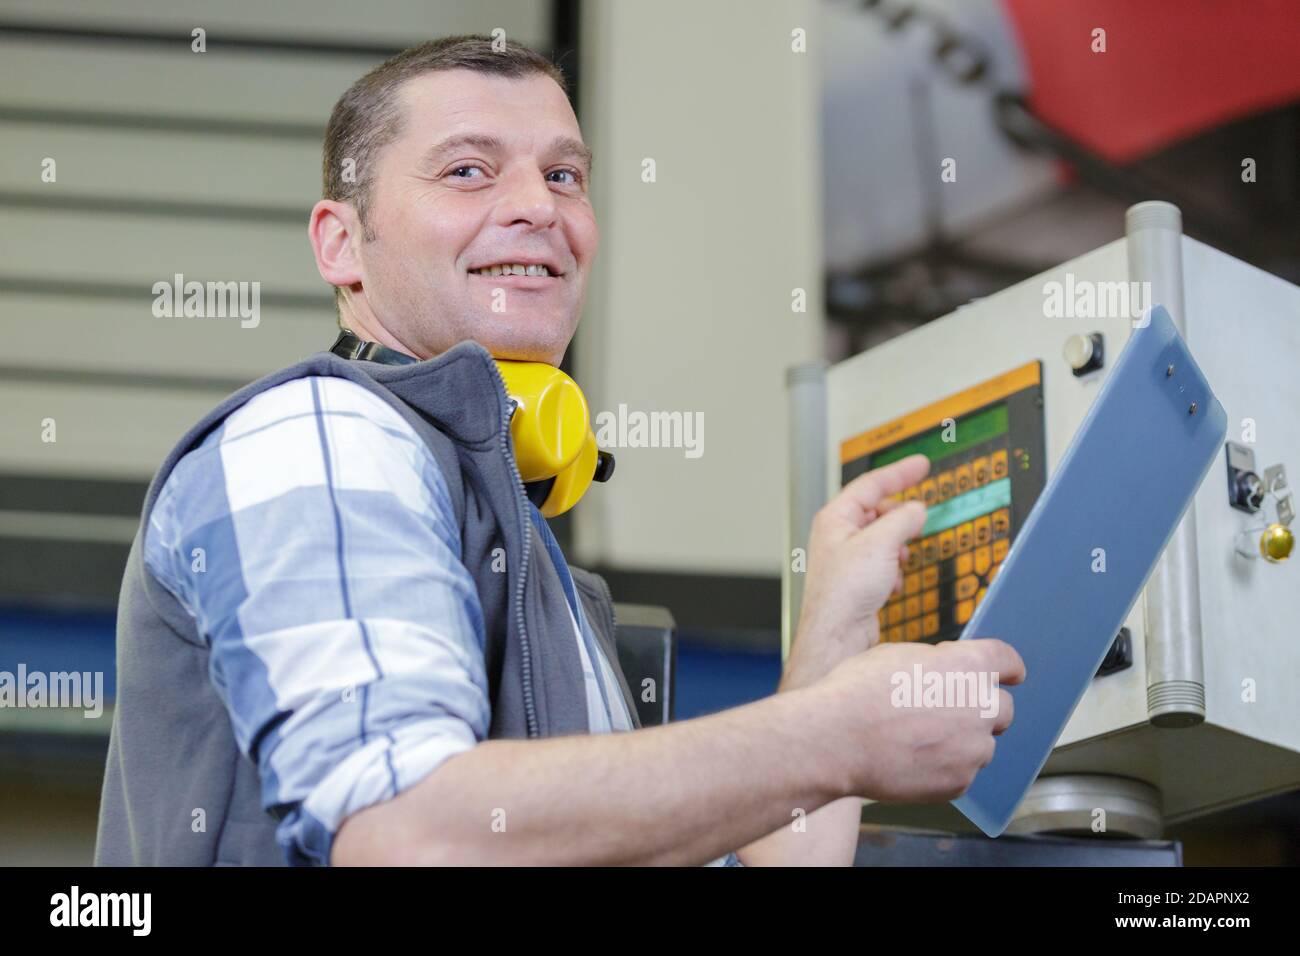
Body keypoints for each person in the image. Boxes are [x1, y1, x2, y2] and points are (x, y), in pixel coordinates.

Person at [95, 34, 1024, 867]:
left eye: (565, 176)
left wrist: (833, 639)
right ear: (342, 243)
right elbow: (407, 830)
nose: (538, 206)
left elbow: (775, 863)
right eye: (468, 171)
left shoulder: (535, 568)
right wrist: (831, 735)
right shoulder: (323, 439)